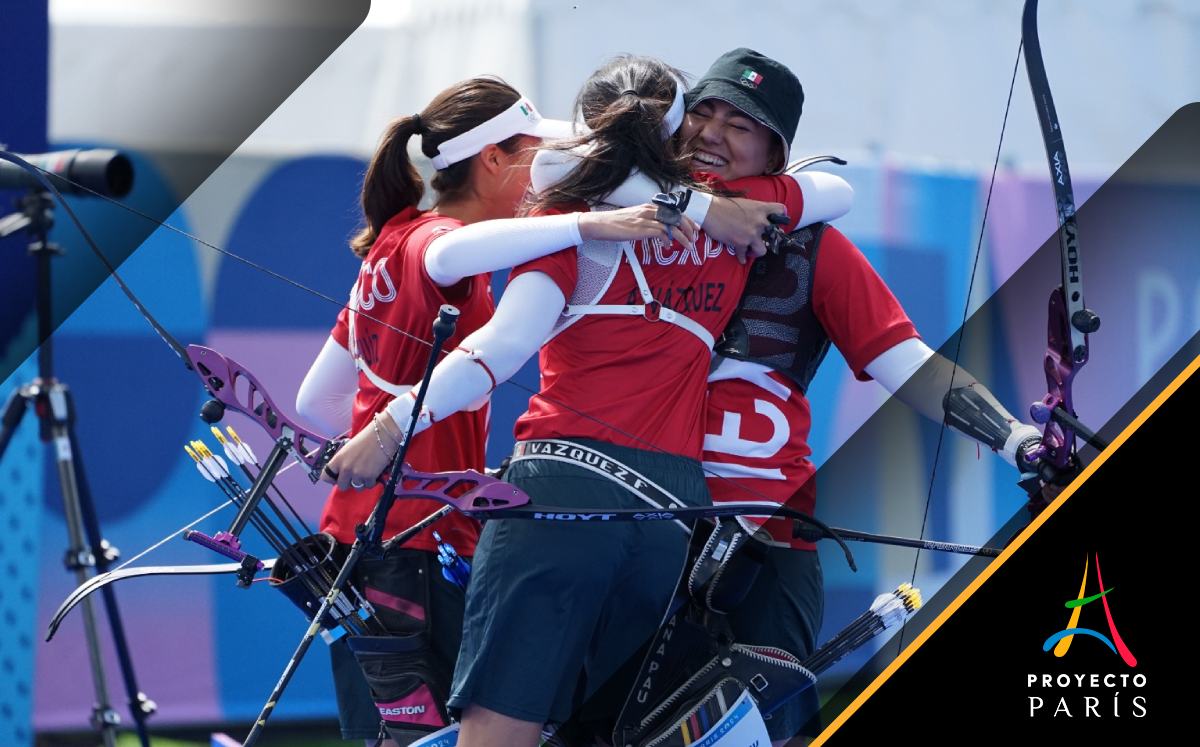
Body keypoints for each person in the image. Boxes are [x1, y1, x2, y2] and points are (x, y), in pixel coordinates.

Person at [324, 54, 828, 747]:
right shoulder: (736, 224)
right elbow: (832, 191)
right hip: (667, 514)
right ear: (679, 129)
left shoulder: (567, 211)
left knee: (498, 733)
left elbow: (501, 347)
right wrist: (709, 206)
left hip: (561, 491)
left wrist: (387, 428)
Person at [294, 76, 706, 746]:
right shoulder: (436, 240)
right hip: (415, 541)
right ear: (491, 159)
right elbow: (451, 250)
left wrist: (391, 441)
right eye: (533, 155)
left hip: (361, 533)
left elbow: (315, 400)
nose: (546, 176)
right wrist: (591, 223)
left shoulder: (391, 238)